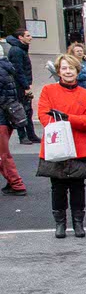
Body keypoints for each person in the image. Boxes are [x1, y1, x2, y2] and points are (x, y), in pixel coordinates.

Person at [35, 54, 86, 239]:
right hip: (56, 144)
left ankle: (78, 223)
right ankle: (60, 223)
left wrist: (66, 118)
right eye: (64, 68)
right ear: (58, 71)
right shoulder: (48, 90)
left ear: (77, 71)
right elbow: (44, 116)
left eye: (71, 68)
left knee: (78, 186)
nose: (68, 71)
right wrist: (65, 123)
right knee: (58, 186)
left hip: (79, 146)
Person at [0, 46, 24, 195]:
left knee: (3, 154)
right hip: (7, 116)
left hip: (1, 117)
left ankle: (17, 183)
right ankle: (12, 181)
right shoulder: (6, 69)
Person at [6, 29, 37, 144]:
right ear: (20, 37)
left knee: (28, 110)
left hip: (23, 84)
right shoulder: (16, 50)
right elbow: (18, 71)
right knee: (20, 110)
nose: (31, 37)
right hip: (19, 86)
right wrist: (25, 86)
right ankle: (23, 136)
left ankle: (31, 135)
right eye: (28, 35)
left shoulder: (21, 49)